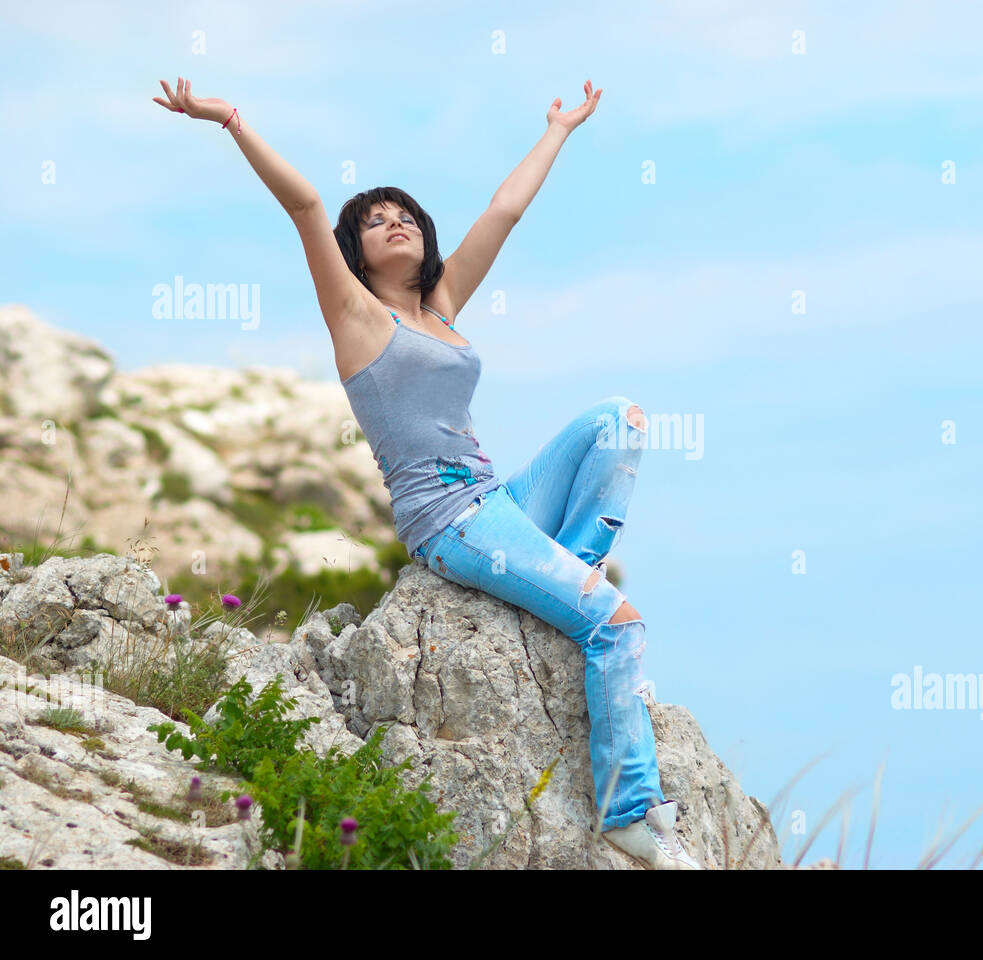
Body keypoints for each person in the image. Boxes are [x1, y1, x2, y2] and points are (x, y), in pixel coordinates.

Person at [153, 76, 701, 869]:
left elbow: (502, 214)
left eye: (404, 213)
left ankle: (572, 589)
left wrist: (559, 128)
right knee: (619, 626)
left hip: (498, 499)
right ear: (358, 251)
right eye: (375, 222)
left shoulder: (439, 308)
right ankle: (630, 813)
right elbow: (306, 206)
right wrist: (230, 120)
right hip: (451, 522)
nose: (395, 223)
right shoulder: (356, 316)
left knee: (620, 418)